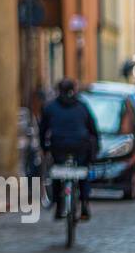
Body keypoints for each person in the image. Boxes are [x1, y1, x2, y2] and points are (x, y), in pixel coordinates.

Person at [39, 77, 100, 221]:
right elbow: (93, 129)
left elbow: (42, 131)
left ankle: (59, 206)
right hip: (80, 146)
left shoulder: (50, 107)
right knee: (83, 173)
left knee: (56, 174)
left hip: (58, 146)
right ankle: (85, 204)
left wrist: (44, 147)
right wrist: (96, 146)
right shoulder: (82, 106)